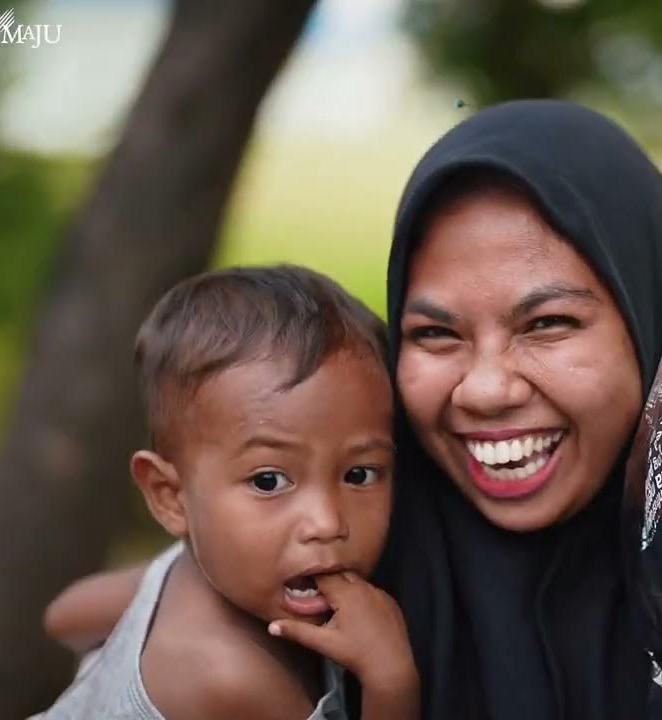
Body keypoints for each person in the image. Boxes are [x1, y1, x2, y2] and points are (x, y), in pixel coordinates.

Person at [45, 102, 662, 720]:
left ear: (650, 320)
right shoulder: (348, 531)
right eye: (436, 335)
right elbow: (104, 625)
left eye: (547, 323)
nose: (486, 387)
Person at [34, 266, 419, 720]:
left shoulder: (185, 567)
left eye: (359, 474)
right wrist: (391, 681)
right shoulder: (231, 679)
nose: (327, 522)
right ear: (170, 495)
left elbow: (64, 617)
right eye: (268, 481)